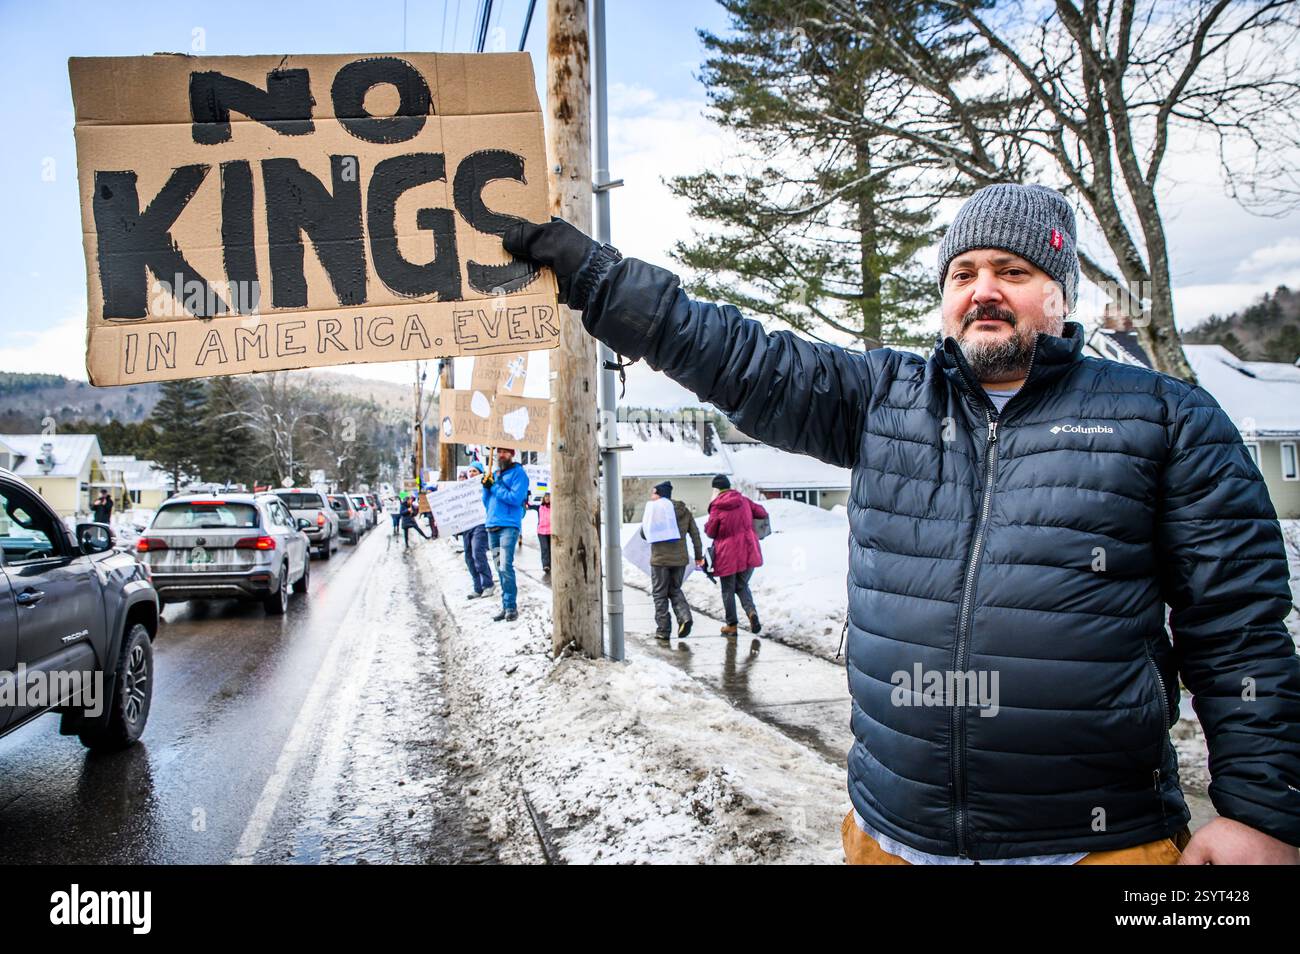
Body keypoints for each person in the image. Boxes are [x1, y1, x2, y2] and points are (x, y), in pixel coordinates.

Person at [503, 184, 1300, 865]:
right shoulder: (884, 401)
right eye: (964, 273)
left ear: (1059, 295)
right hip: (894, 837)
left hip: (1098, 844)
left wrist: (1262, 814)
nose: (983, 289)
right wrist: (599, 280)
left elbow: (1240, 630)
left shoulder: (1165, 418)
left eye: (1012, 272)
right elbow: (737, 354)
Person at [703, 475, 766, 637]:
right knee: (742, 585)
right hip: (748, 549)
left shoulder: (717, 506)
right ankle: (751, 613)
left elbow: (711, 532)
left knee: (728, 590)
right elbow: (762, 512)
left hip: (727, 553)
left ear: (716, 489)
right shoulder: (744, 500)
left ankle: (731, 626)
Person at [644, 481, 703, 639]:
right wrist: (698, 556)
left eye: (654, 493)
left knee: (659, 594)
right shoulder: (684, 510)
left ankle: (663, 630)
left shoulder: (655, 510)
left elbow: (645, 533)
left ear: (660, 494)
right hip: (680, 560)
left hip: (660, 560)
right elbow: (695, 534)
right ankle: (685, 617)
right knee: (675, 590)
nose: (652, 496)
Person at [481, 447, 530, 621]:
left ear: (512, 454)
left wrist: (493, 487)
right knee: (498, 568)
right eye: (499, 451)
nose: (501, 455)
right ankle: (506, 605)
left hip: (508, 525)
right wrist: (486, 488)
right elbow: (487, 503)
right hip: (492, 525)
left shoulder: (519, 474)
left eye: (505, 452)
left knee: (505, 566)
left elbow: (515, 498)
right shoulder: (494, 474)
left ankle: (511, 607)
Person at [536, 492, 552, 580]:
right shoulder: (539, 507)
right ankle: (546, 565)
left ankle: (551, 565)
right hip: (541, 531)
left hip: (551, 531)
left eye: (549, 497)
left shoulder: (554, 506)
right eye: (546, 497)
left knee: (551, 549)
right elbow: (528, 505)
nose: (547, 498)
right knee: (544, 548)